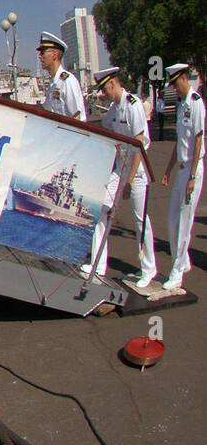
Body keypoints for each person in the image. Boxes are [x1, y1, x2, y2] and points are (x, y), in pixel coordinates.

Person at [82, 67, 158, 287]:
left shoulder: (133, 105)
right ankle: (98, 264)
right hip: (120, 168)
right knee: (101, 210)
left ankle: (148, 268)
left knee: (140, 220)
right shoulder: (114, 109)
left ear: (113, 84)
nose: (104, 93)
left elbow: (139, 144)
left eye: (105, 88)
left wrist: (130, 181)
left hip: (137, 170)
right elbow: (106, 132)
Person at [159, 63, 204, 295]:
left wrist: (193, 176)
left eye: (175, 83)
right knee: (172, 220)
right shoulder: (180, 106)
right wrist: (168, 169)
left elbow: (198, 141)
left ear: (185, 78)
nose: (174, 88)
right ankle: (183, 260)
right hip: (182, 168)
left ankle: (177, 273)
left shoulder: (196, 103)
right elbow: (181, 141)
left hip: (192, 171)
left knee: (185, 223)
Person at [36, 31, 85, 121]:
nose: (39, 56)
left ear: (54, 55)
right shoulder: (53, 84)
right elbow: (45, 109)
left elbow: (77, 117)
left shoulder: (67, 80)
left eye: (42, 52)